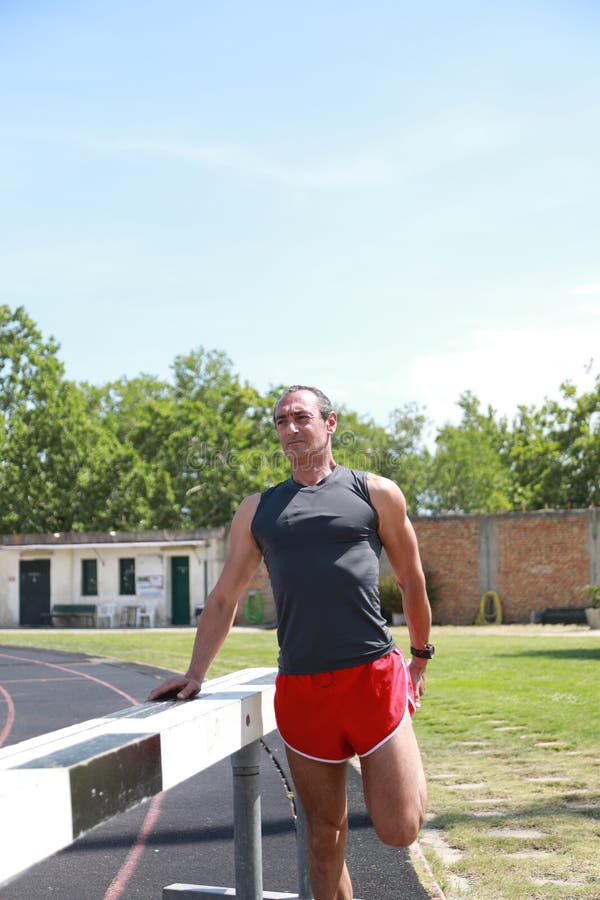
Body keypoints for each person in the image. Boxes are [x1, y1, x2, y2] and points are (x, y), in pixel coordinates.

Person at [149, 385, 433, 900]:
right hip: (303, 691)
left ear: (331, 423)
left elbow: (412, 579)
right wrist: (196, 674)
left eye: (301, 417)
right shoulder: (258, 510)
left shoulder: (376, 492)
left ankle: (403, 752)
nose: (289, 427)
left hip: (373, 679)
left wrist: (420, 655)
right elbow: (223, 598)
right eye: (281, 421)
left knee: (400, 828)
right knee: (323, 840)